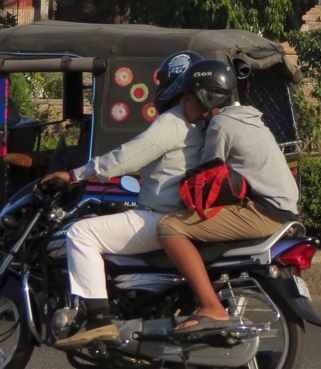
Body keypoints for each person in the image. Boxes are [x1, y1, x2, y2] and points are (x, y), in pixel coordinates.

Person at [43, 50, 206, 350]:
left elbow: (126, 157)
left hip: (160, 216)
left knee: (81, 232)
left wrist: (75, 176)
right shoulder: (202, 123)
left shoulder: (175, 121)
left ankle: (98, 320)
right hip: (186, 216)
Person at [156, 59, 299, 336]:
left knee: (169, 227)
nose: (183, 105)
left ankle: (212, 306)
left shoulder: (220, 125)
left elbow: (206, 180)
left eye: (187, 98)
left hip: (263, 212)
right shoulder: (247, 116)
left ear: (205, 98)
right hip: (279, 208)